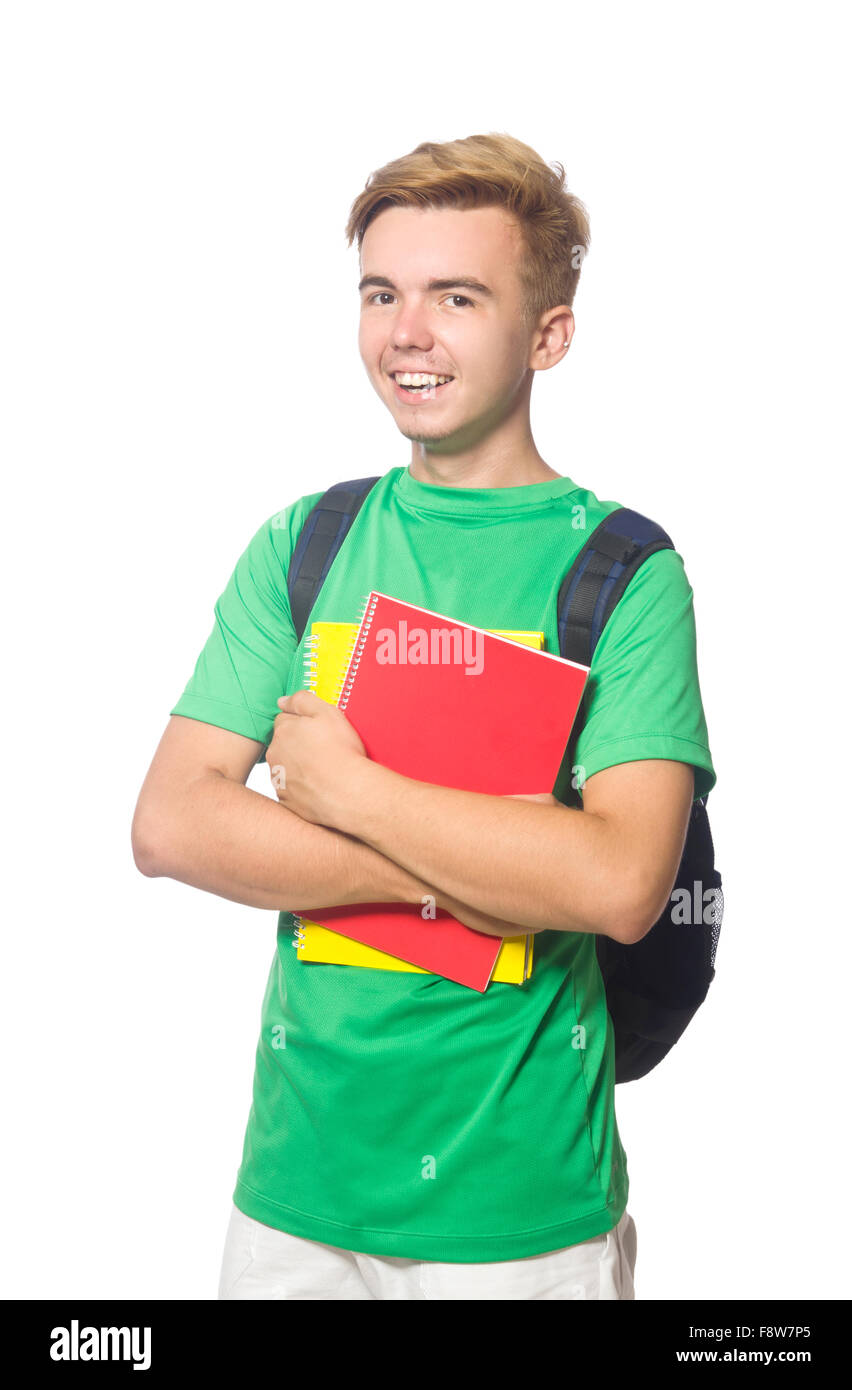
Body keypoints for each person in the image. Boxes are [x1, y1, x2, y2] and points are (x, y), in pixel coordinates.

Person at [132, 132, 716, 1300]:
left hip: (523, 1216)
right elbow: (170, 826)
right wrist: (475, 867)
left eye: (458, 296)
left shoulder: (621, 571)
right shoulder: (309, 542)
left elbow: (615, 883)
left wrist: (357, 795)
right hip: (298, 1195)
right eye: (382, 294)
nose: (408, 332)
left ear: (547, 333)